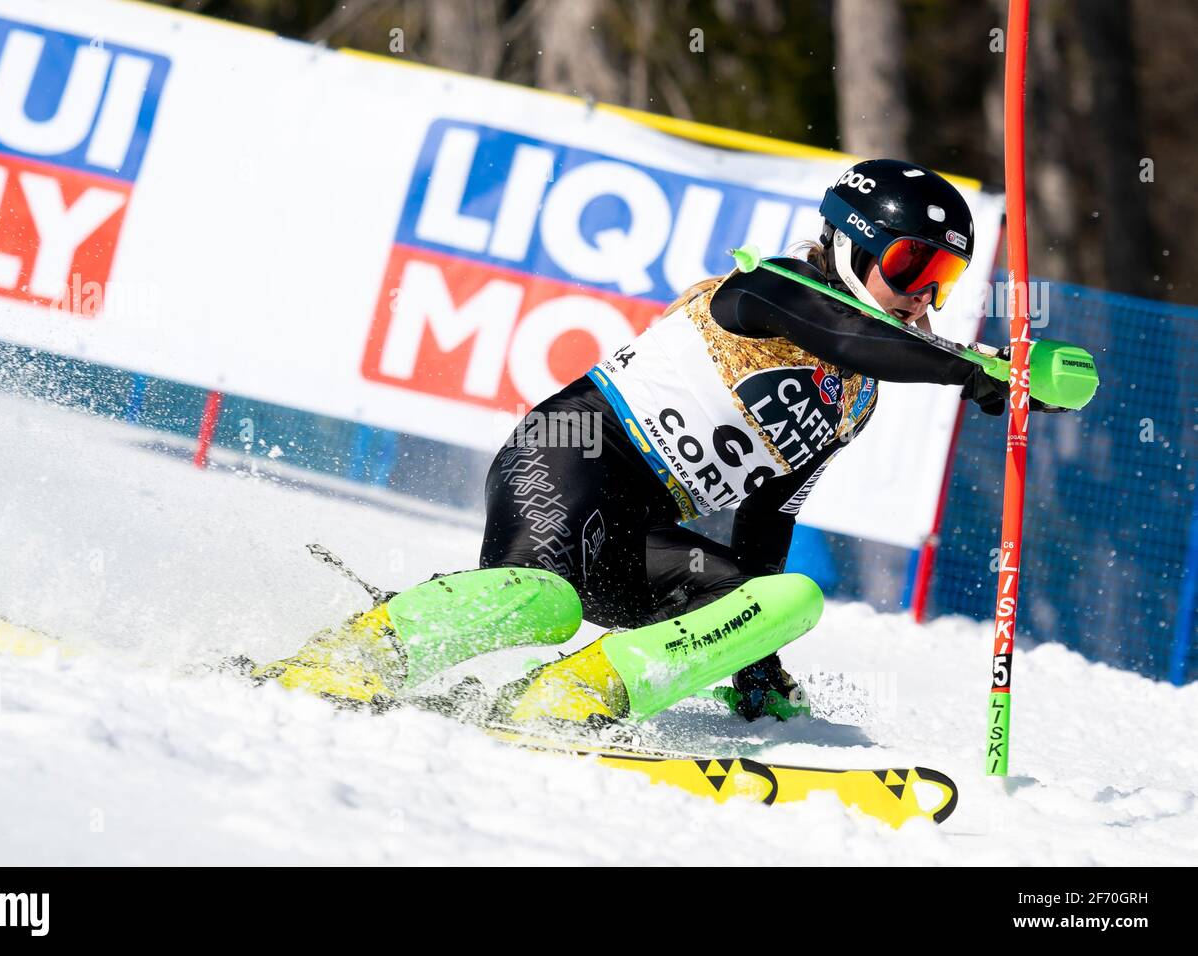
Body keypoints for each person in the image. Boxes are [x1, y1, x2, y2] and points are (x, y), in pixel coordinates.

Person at [254, 158, 1025, 727]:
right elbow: (849, 336)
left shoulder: (857, 399)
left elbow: (768, 517)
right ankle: (353, 655)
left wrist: (749, 646)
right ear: (852, 248)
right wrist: (979, 372)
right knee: (542, 600)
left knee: (787, 598)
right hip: (572, 454)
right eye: (910, 265)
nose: (925, 297)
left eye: (944, 280)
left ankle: (569, 695)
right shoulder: (772, 288)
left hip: (643, 529)